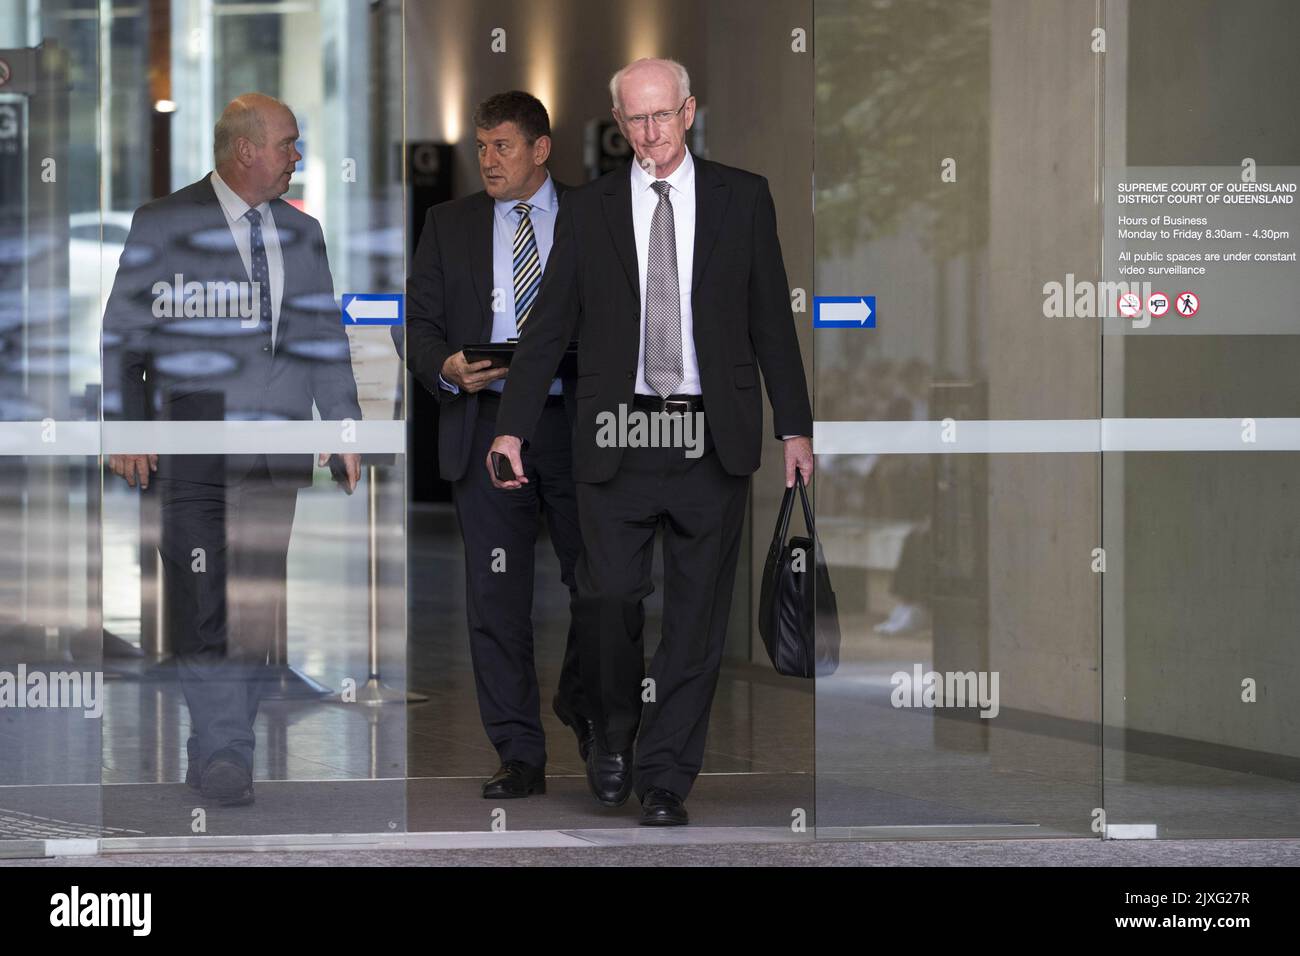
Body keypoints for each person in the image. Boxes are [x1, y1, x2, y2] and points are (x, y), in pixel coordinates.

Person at [489, 59, 813, 825]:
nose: (648, 134)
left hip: (711, 432)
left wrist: (793, 425)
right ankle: (609, 727)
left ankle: (666, 777)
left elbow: (771, 319)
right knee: (604, 599)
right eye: (633, 120)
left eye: (661, 117)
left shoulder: (744, 197)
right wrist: (511, 427)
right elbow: (550, 328)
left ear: (689, 110)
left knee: (698, 620)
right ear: (618, 121)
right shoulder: (594, 207)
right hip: (618, 430)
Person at [102, 93, 362, 806]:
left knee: (250, 605)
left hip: (274, 450)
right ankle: (228, 750)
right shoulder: (166, 221)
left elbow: (322, 341)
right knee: (200, 600)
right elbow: (123, 334)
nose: (297, 156)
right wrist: (125, 427)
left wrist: (344, 429)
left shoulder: (301, 234)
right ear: (245, 150)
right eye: (288, 143)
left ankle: (218, 744)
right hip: (188, 445)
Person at [405, 91, 590, 799]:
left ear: (541, 149)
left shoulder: (594, 216)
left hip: (576, 427)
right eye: (481, 147)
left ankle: (588, 708)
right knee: (496, 599)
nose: (488, 160)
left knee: (602, 588)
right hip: (484, 427)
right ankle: (519, 753)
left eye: (503, 146)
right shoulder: (446, 224)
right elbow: (417, 325)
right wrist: (446, 367)